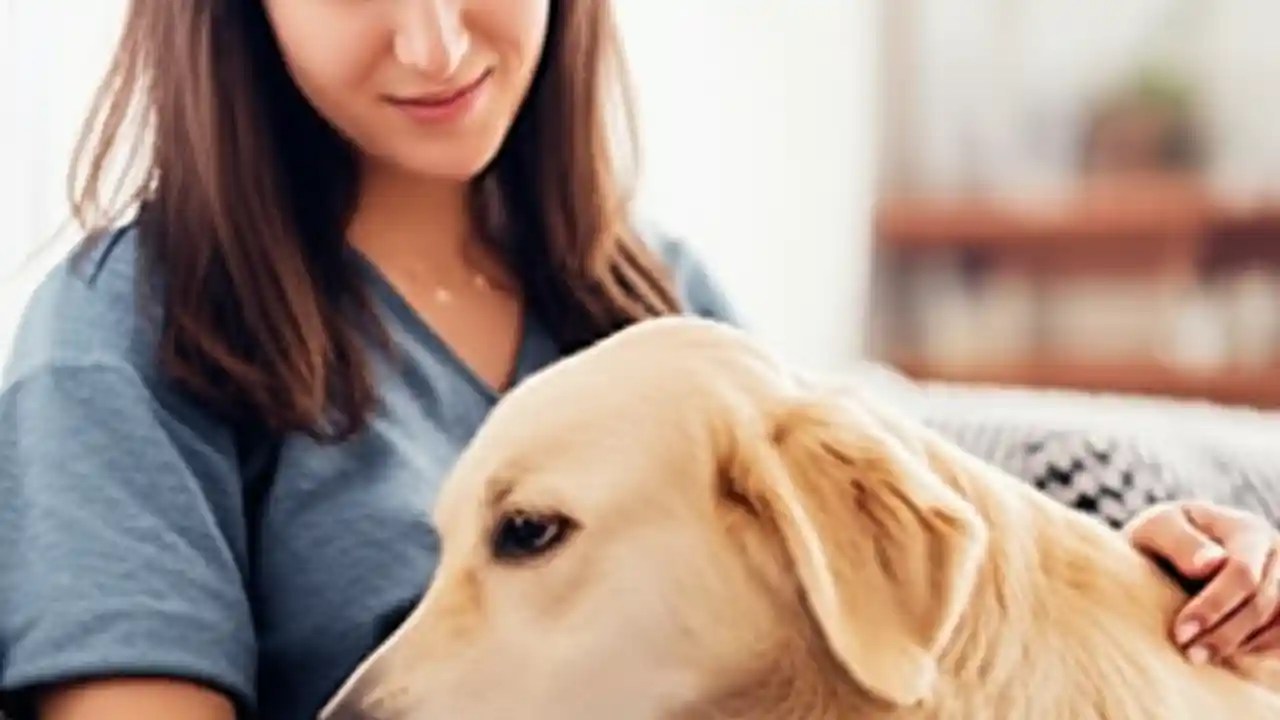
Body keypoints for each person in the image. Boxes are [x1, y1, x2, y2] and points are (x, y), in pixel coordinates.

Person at [0, 1, 1276, 718]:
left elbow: (882, 593)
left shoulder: (651, 297)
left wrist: (1152, 575)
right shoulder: (126, 329)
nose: (436, 39)